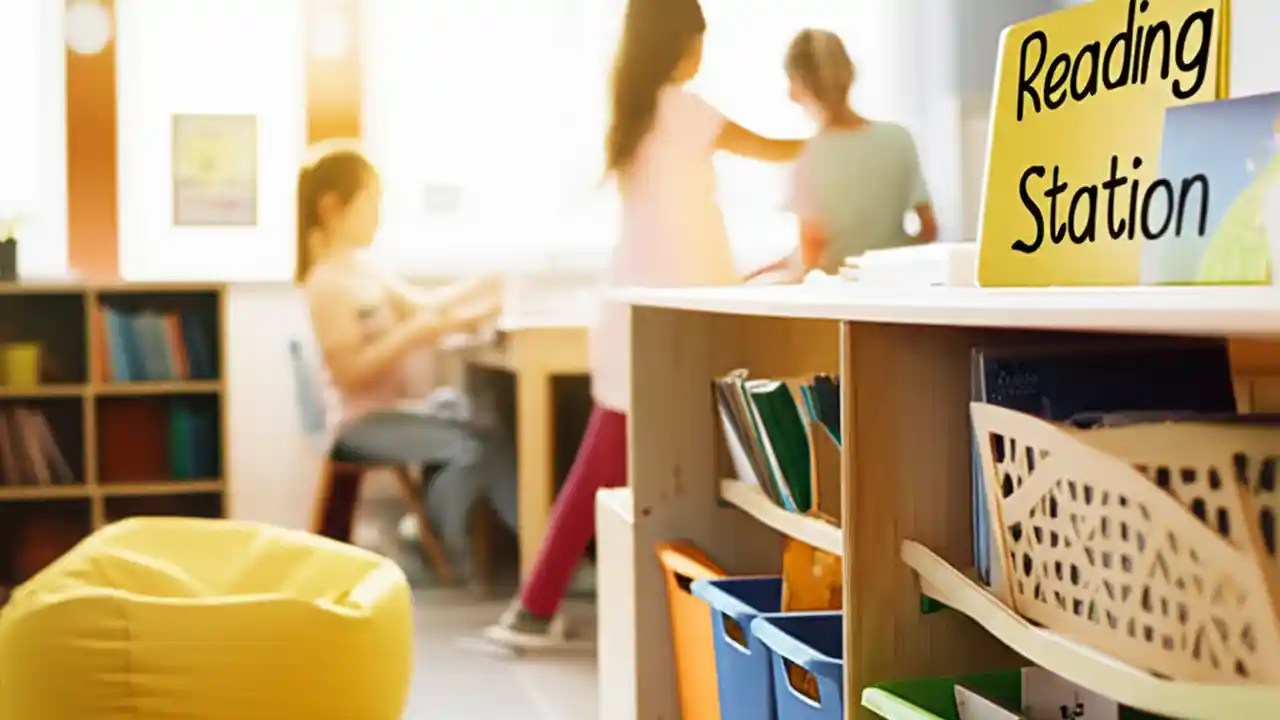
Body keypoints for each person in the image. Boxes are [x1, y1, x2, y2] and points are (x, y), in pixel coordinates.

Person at [483, 0, 805, 649]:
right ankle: (543, 610)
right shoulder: (686, 109)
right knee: (661, 470)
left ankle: (538, 608)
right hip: (670, 331)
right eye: (699, 42)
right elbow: (778, 149)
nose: (703, 56)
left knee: (609, 471)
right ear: (680, 43)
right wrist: (838, 131)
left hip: (642, 319)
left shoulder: (633, 111)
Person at [297, 142, 516, 577]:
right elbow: (351, 373)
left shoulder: (364, 269)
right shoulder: (328, 284)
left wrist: (482, 289)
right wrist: (414, 334)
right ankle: (429, 537)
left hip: (391, 412)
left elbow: (426, 307)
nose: (378, 213)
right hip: (362, 422)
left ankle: (429, 532)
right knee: (478, 445)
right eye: (370, 202)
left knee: (475, 417)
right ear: (333, 208)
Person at [747, 28, 937, 280]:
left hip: (839, 296)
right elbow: (929, 229)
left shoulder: (808, 156)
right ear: (849, 72)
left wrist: (757, 276)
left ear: (795, 86)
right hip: (895, 285)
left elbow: (812, 251)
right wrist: (892, 265)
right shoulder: (899, 138)